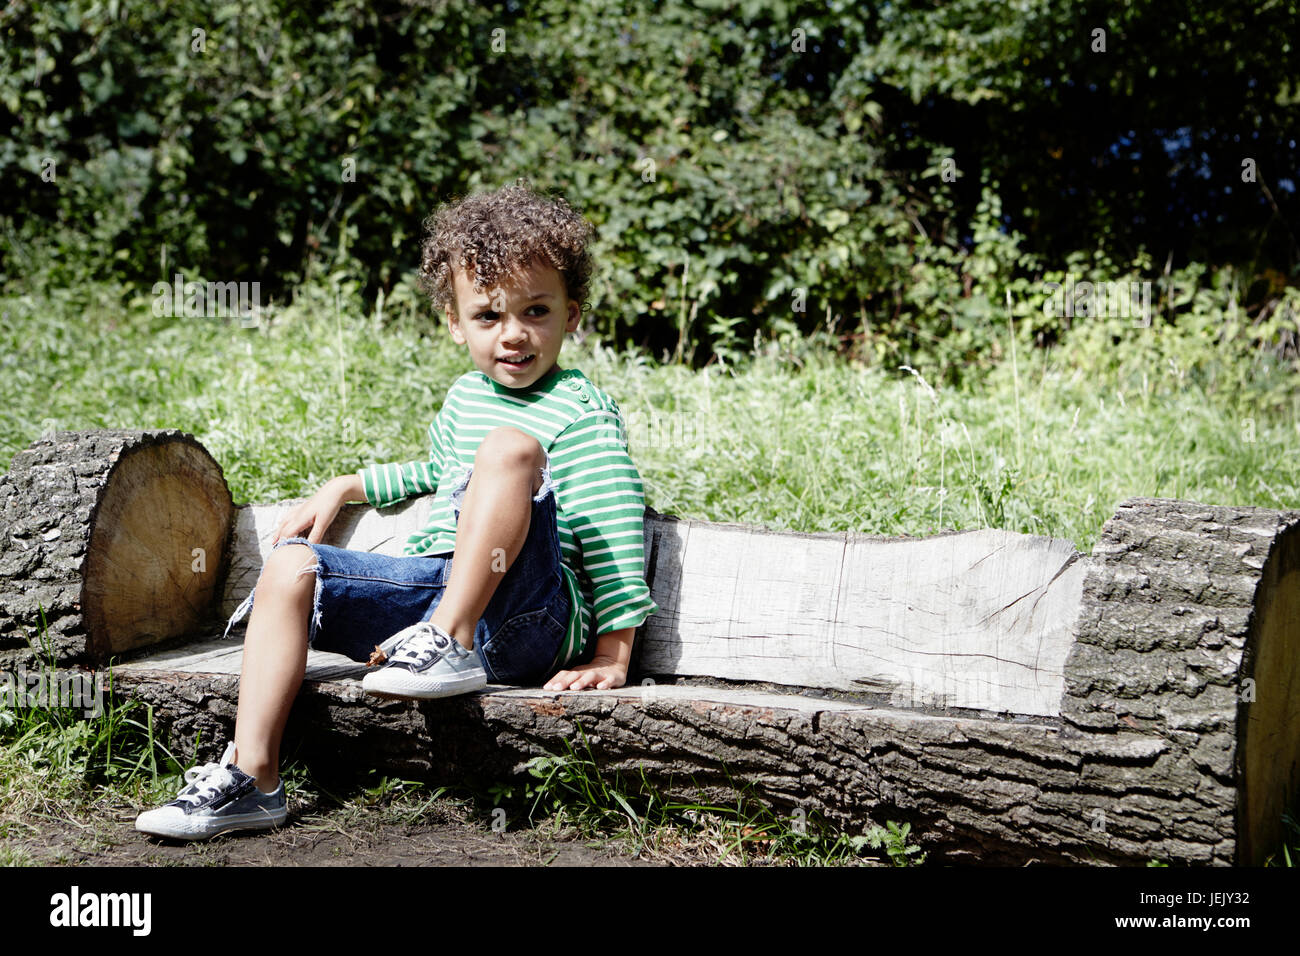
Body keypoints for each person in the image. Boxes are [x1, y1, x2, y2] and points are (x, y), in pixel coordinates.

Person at [135, 180, 658, 841]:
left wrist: (613, 655)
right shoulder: (466, 399)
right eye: (489, 317)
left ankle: (450, 638)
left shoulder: (580, 411)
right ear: (454, 322)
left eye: (537, 312)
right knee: (293, 565)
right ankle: (253, 777)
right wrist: (350, 484)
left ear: (572, 314)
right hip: (438, 593)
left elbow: (614, 533)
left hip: (529, 614)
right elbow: (441, 474)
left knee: (509, 450)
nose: (515, 335)